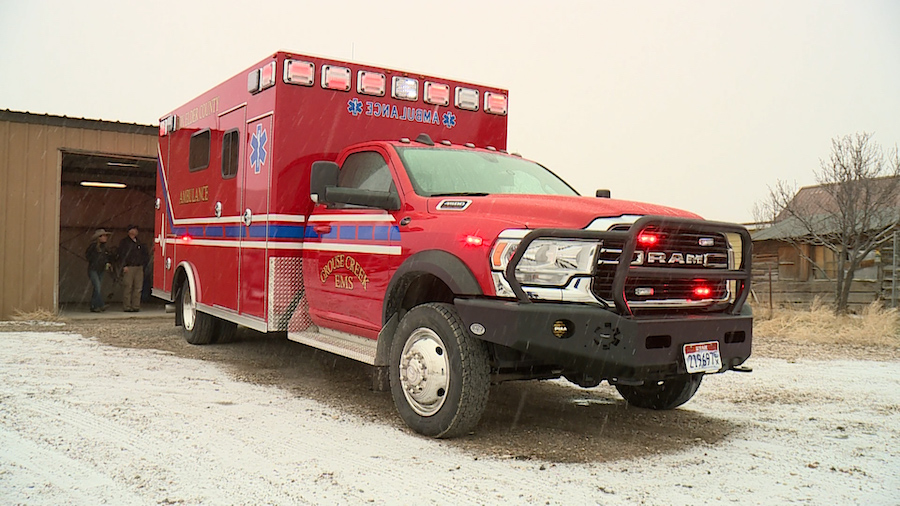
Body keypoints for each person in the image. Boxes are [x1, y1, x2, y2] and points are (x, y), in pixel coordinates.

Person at [118, 224, 149, 312]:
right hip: (129, 267)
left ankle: (136, 306)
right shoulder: (124, 242)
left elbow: (144, 254)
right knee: (128, 287)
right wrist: (124, 265)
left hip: (139, 267)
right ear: (130, 231)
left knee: (138, 287)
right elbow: (121, 255)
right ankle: (127, 306)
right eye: (134, 229)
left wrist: (143, 264)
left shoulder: (139, 242)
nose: (136, 231)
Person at [85, 229, 113, 312]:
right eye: (103, 236)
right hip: (93, 269)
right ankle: (101, 304)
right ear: (99, 238)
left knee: (97, 288)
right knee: (97, 287)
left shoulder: (105, 248)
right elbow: (88, 256)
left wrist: (107, 262)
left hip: (101, 269)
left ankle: (94, 306)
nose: (105, 237)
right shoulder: (93, 247)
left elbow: (108, 257)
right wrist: (96, 261)